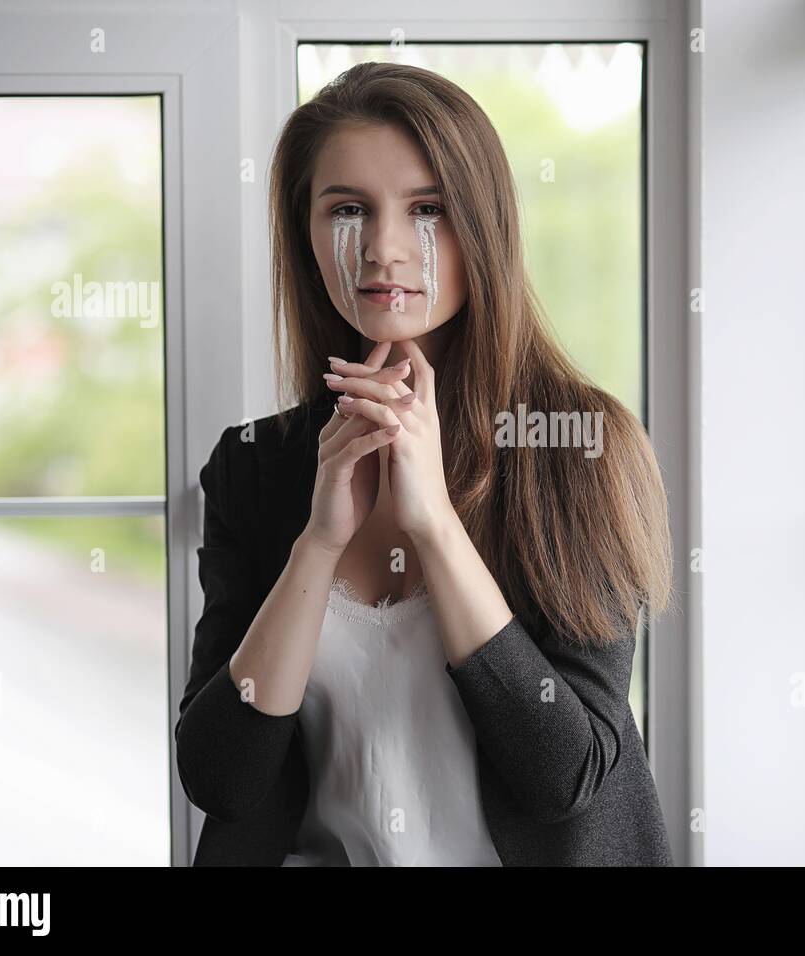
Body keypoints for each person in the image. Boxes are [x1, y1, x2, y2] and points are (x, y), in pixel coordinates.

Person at [174, 61, 674, 866]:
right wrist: (318, 545)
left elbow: (565, 773)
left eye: (428, 209)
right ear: (305, 237)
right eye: (347, 209)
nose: (384, 249)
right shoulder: (254, 467)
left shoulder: (582, 449)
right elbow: (219, 779)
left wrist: (434, 524)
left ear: (485, 226)